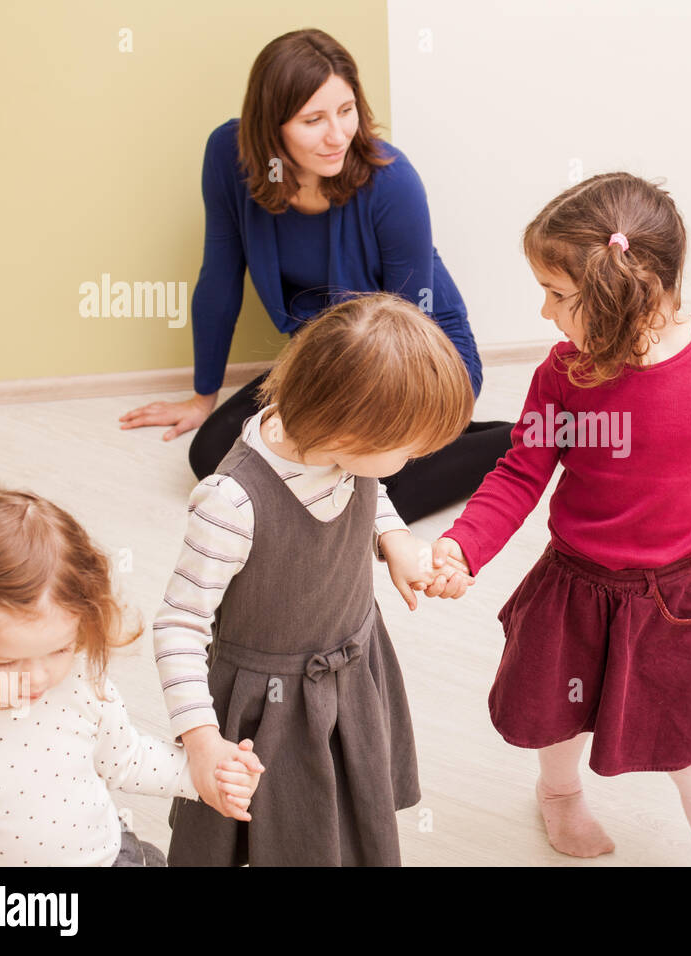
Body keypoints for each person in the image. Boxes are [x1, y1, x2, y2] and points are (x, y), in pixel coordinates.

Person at [429, 172, 691, 866]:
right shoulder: (563, 373)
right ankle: (558, 795)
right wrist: (464, 546)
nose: (545, 311)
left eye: (558, 295)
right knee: (561, 706)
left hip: (684, 594)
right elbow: (522, 469)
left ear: (619, 294)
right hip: (579, 583)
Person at [117, 28, 511, 522]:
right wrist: (202, 397)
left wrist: (366, 420)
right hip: (329, 355)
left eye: (347, 111)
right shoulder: (229, 155)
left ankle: (512, 442)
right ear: (271, 125)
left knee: (372, 490)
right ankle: (430, 442)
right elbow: (218, 277)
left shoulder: (391, 180)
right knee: (213, 455)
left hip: (420, 354)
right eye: (313, 120)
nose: (338, 136)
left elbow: (412, 326)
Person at [156, 293, 475, 866]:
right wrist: (201, 741)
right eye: (408, 450)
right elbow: (178, 627)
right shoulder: (230, 504)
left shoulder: (333, 446)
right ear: (348, 434)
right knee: (282, 834)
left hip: (351, 665)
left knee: (345, 816)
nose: (416, 459)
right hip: (270, 706)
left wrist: (395, 540)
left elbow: (364, 489)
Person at [0, 481, 261, 866]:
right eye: (6, 663)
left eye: (60, 650)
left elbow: (127, 760)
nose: (37, 678)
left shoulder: (81, 686)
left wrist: (205, 776)